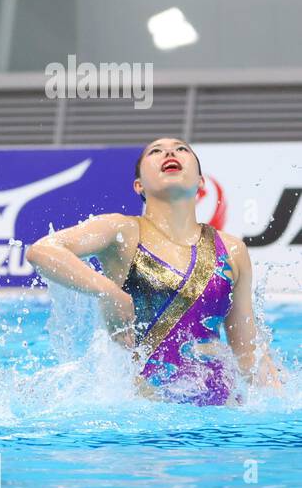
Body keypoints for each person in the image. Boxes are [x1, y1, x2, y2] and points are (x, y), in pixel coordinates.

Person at [26, 137, 282, 405]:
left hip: (223, 412)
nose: (169, 152)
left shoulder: (231, 249)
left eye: (181, 149)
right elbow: (42, 251)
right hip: (149, 415)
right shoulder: (122, 231)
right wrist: (108, 290)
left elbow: (248, 352)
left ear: (201, 181)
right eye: (155, 152)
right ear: (139, 185)